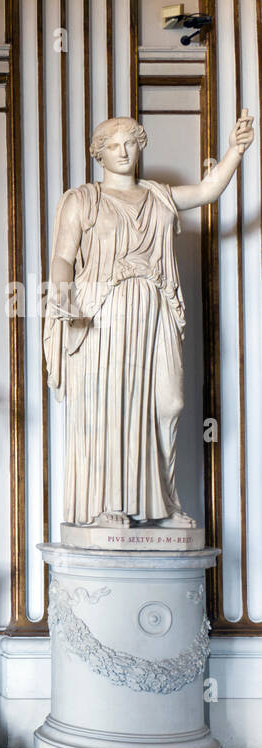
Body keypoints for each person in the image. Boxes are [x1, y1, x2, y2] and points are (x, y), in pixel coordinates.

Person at [46, 112, 253, 529]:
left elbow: (210, 190)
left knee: (169, 402)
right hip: (103, 316)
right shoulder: (82, 199)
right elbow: (64, 257)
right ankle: (108, 505)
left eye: (131, 143)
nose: (124, 152)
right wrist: (62, 297)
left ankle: (161, 504)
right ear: (98, 153)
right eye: (113, 145)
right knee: (109, 407)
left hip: (155, 311)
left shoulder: (159, 195)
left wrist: (236, 149)